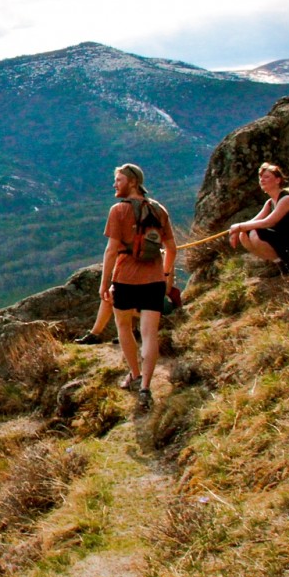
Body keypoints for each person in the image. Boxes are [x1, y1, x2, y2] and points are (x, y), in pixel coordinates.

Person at [98, 163, 177, 409]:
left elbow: (111, 250)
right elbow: (172, 248)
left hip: (125, 278)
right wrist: (165, 274)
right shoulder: (158, 210)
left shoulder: (118, 210)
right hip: (154, 279)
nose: (115, 184)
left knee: (123, 326)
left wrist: (105, 283)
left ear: (132, 182)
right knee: (149, 334)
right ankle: (146, 388)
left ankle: (135, 374)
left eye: (119, 180)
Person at [227, 162, 289, 271]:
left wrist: (239, 226)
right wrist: (237, 230)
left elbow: (268, 222)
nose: (262, 180)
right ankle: (276, 263)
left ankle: (287, 265)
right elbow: (252, 222)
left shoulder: (287, 199)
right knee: (244, 234)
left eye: (266, 177)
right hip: (286, 240)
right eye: (261, 178)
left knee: (254, 232)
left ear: (278, 180)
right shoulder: (269, 203)